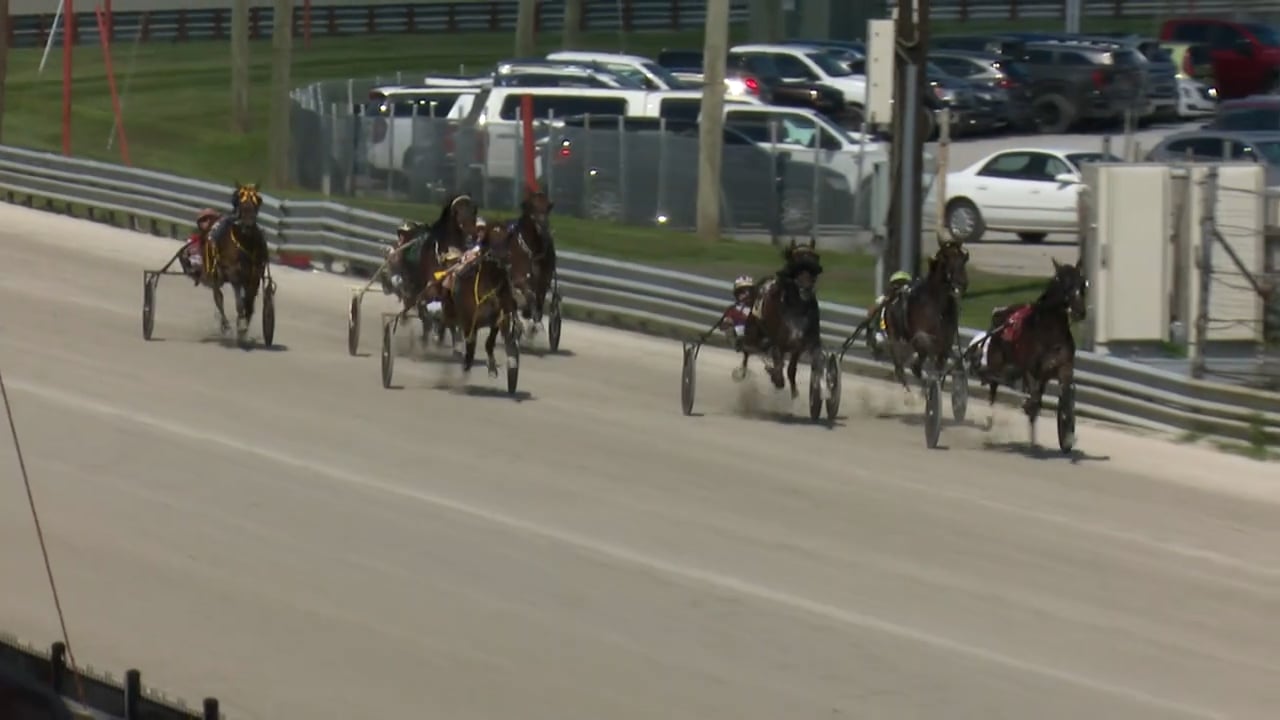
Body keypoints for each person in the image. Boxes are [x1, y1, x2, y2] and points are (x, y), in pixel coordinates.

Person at [869, 270, 913, 346]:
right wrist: (886, 300)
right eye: (898, 283)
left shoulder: (912, 298)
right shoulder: (886, 297)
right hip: (885, 331)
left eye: (904, 283)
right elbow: (871, 312)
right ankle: (881, 333)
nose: (901, 287)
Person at [179, 208, 220, 284]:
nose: (209, 221)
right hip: (199, 266)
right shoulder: (194, 238)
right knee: (182, 254)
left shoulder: (220, 237)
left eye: (211, 219)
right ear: (199, 224)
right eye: (205, 219)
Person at [382, 220, 422, 295]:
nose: (403, 237)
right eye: (401, 234)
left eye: (406, 234)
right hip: (399, 274)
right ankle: (390, 287)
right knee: (387, 273)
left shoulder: (415, 250)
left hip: (412, 277)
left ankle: (407, 290)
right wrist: (389, 255)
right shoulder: (396, 246)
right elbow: (394, 262)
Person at [720, 275, 757, 350]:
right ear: (737, 294)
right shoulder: (732, 309)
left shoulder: (757, 308)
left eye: (749, 291)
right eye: (742, 292)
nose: (747, 295)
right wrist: (727, 321)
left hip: (756, 337)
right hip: (739, 337)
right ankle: (739, 346)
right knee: (730, 330)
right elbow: (723, 326)